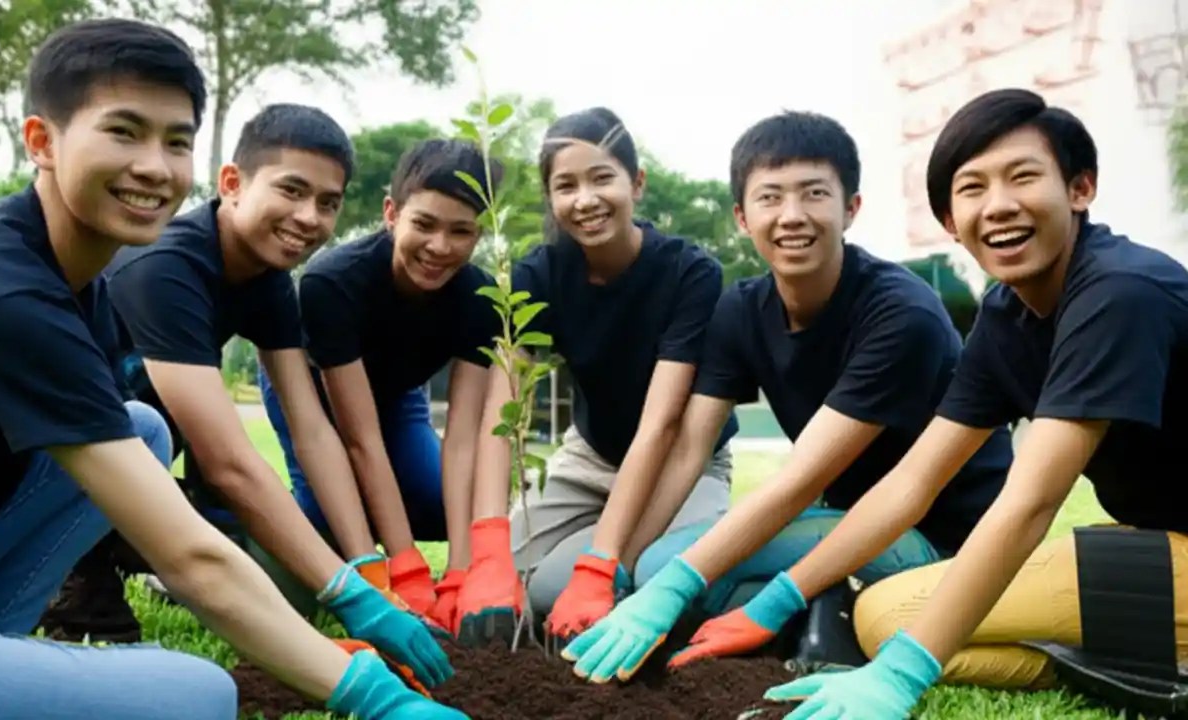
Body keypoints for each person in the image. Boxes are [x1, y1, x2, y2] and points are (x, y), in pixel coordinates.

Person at [0, 18, 462, 720]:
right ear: (42, 141)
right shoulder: (13, 294)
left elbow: (309, 429)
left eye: (175, 141)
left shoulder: (80, 281)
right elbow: (194, 550)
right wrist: (369, 692)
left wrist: (361, 577)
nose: (154, 165)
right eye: (124, 131)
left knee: (139, 428)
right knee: (196, 695)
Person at [746, 88, 1188, 719]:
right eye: (973, 188)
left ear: (1080, 188)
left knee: (897, 626)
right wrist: (782, 597)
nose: (999, 205)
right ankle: (1148, 659)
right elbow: (913, 482)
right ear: (951, 221)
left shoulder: (1120, 293)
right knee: (882, 614)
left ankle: (1152, 657)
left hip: (1171, 550)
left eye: (1023, 176)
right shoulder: (1007, 317)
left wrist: (900, 677)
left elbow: (1031, 501)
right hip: (1155, 543)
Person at [559, 110, 1014, 683]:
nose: (792, 216)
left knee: (675, 577)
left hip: (937, 541)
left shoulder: (900, 313)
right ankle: (821, 606)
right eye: (770, 198)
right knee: (655, 567)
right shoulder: (742, 310)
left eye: (813, 194)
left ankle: (822, 612)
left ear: (851, 208)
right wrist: (620, 574)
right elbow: (688, 450)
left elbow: (798, 480)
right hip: (846, 517)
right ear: (743, 218)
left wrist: (671, 586)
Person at [105, 101, 457, 683]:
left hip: (144, 458)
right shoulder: (165, 267)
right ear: (233, 183)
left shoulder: (268, 283)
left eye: (328, 203)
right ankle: (97, 565)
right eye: (291, 190)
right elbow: (229, 465)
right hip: (54, 452)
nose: (308, 217)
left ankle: (159, 552)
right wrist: (353, 598)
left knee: (286, 589)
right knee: (145, 437)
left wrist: (365, 569)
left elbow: (312, 429)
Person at [456, 107, 739, 648]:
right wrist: (489, 548)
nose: (585, 199)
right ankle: (591, 551)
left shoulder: (688, 272)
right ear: (551, 198)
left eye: (601, 178)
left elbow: (661, 426)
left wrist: (601, 563)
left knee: (640, 573)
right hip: (589, 456)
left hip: (681, 466)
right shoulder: (537, 274)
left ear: (636, 182)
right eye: (566, 186)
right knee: (507, 579)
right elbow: (503, 412)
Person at [257, 138, 503, 632]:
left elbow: (462, 441)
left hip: (399, 395)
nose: (439, 247)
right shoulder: (333, 283)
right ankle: (238, 522)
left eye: (462, 231)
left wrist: (460, 568)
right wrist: (405, 571)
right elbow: (358, 439)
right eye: (424, 224)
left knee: (436, 504)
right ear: (392, 213)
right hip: (316, 397)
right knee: (328, 525)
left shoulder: (479, 297)